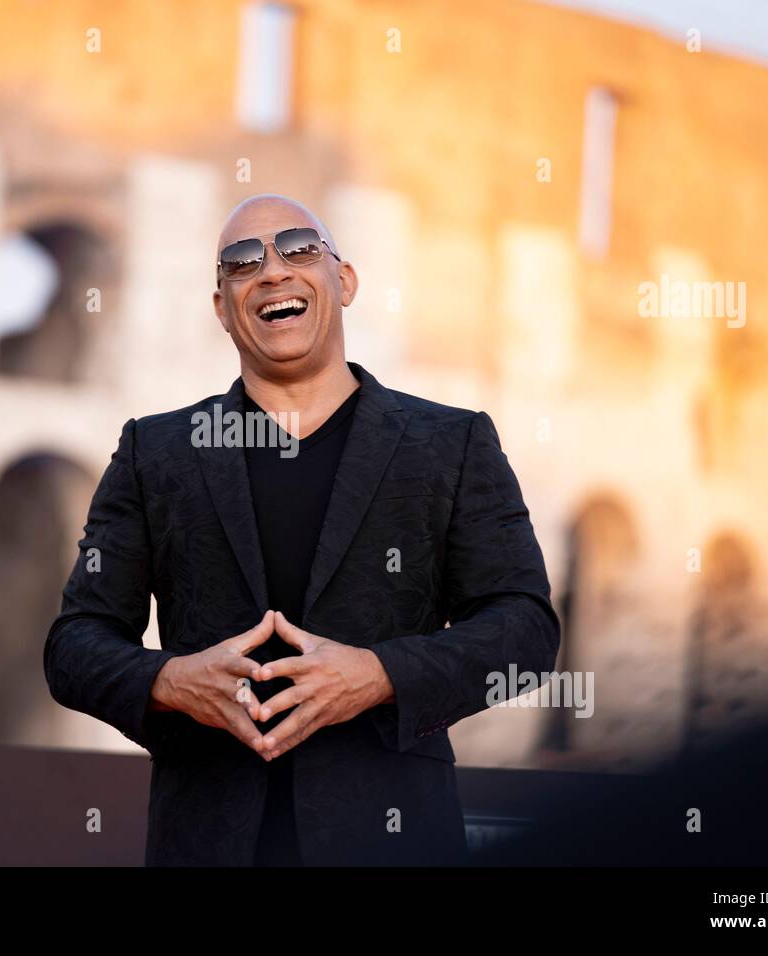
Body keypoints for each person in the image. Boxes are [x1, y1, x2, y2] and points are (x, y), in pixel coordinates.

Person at [43, 193, 560, 865]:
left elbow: (525, 629)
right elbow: (74, 645)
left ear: (343, 282)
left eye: (298, 249)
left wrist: (380, 674)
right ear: (222, 308)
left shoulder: (451, 443)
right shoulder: (155, 452)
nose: (272, 272)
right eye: (241, 262)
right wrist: (169, 681)